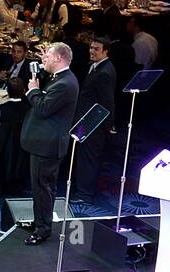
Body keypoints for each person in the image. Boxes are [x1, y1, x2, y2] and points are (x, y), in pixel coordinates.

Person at [20, 42, 80, 245]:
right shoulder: (59, 77)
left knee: (43, 187)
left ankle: (43, 230)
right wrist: (42, 71)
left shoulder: (65, 83)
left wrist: (32, 91)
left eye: (48, 56)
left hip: (48, 145)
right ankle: (40, 222)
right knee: (40, 186)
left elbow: (44, 108)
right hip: (44, 143)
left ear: (58, 58)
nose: (43, 59)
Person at [71, 37, 117, 201]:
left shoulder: (104, 73)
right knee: (84, 156)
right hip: (87, 119)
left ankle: (85, 194)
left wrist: (107, 126)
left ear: (106, 51)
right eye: (91, 48)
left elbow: (107, 103)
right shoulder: (96, 67)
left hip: (93, 123)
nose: (91, 51)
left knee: (88, 158)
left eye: (96, 49)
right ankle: (82, 189)